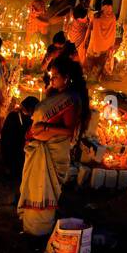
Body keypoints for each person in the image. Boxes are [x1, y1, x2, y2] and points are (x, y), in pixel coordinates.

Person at [18, 58, 88, 235]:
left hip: (52, 153)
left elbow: (69, 131)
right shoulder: (57, 94)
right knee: (34, 188)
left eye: (56, 76)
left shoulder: (70, 100)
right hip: (41, 150)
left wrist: (45, 128)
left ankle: (40, 230)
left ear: (67, 78)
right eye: (52, 75)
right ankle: (30, 225)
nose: (52, 79)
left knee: (44, 190)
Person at [1, 95, 38, 180]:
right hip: (13, 145)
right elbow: (6, 137)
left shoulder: (34, 118)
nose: (30, 114)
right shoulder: (13, 116)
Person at [83, 0, 117, 78]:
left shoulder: (97, 16)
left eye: (109, 10)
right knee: (96, 67)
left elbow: (89, 28)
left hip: (97, 46)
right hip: (103, 47)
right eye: (107, 10)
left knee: (93, 68)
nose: (108, 12)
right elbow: (90, 28)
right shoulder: (111, 17)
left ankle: (92, 80)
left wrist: (86, 39)